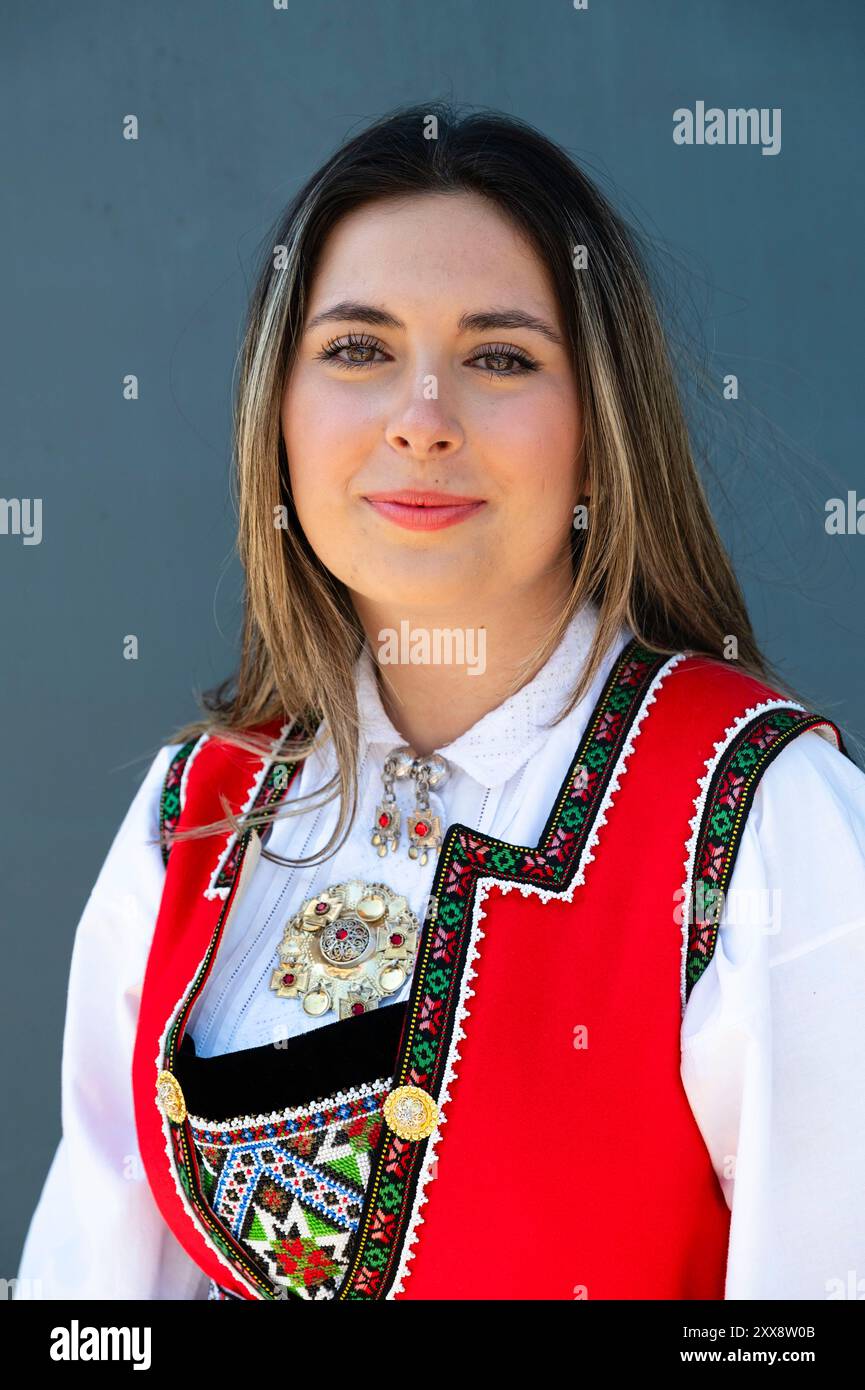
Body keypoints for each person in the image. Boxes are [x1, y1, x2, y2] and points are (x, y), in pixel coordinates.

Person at [15, 102, 865, 1302]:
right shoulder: (197, 814)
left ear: (597, 426)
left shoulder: (765, 822)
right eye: (358, 351)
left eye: (500, 357)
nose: (422, 419)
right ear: (280, 417)